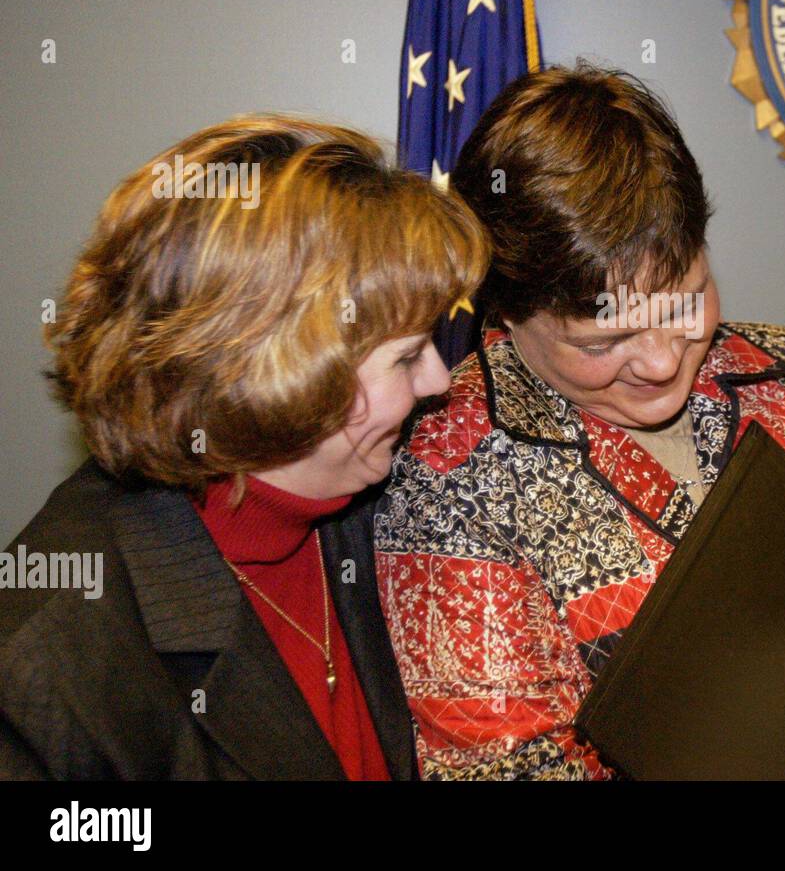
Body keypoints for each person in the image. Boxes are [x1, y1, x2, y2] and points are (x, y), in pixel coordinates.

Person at [374, 63, 785, 780]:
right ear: (504, 310)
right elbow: (508, 769)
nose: (661, 362)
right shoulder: (452, 473)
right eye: (603, 343)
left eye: (686, 303)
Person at [0, 115, 489, 779]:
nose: (438, 379)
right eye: (407, 357)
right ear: (277, 374)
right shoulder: (47, 664)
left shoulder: (378, 500)